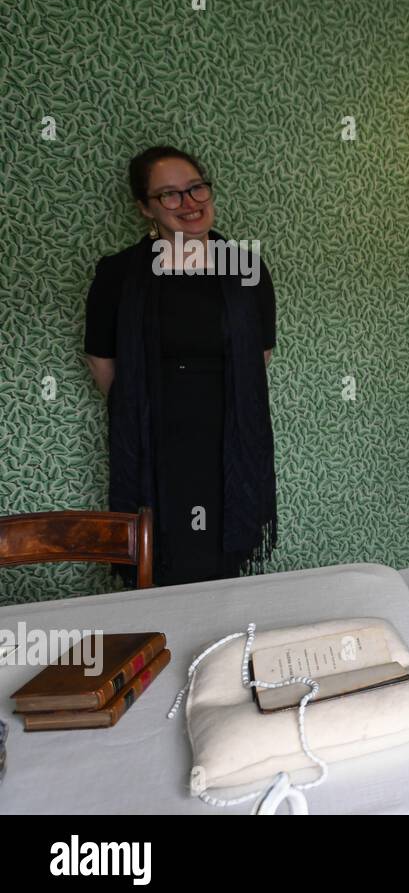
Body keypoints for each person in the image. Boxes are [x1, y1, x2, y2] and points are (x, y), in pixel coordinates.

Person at [84, 146, 277, 587]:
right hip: (154, 439)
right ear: (145, 207)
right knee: (161, 552)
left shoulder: (246, 266)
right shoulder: (119, 273)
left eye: (195, 188)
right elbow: (102, 361)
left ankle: (222, 629)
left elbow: (260, 354)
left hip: (230, 435)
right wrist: (144, 411)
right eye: (169, 194)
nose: (189, 203)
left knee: (223, 550)